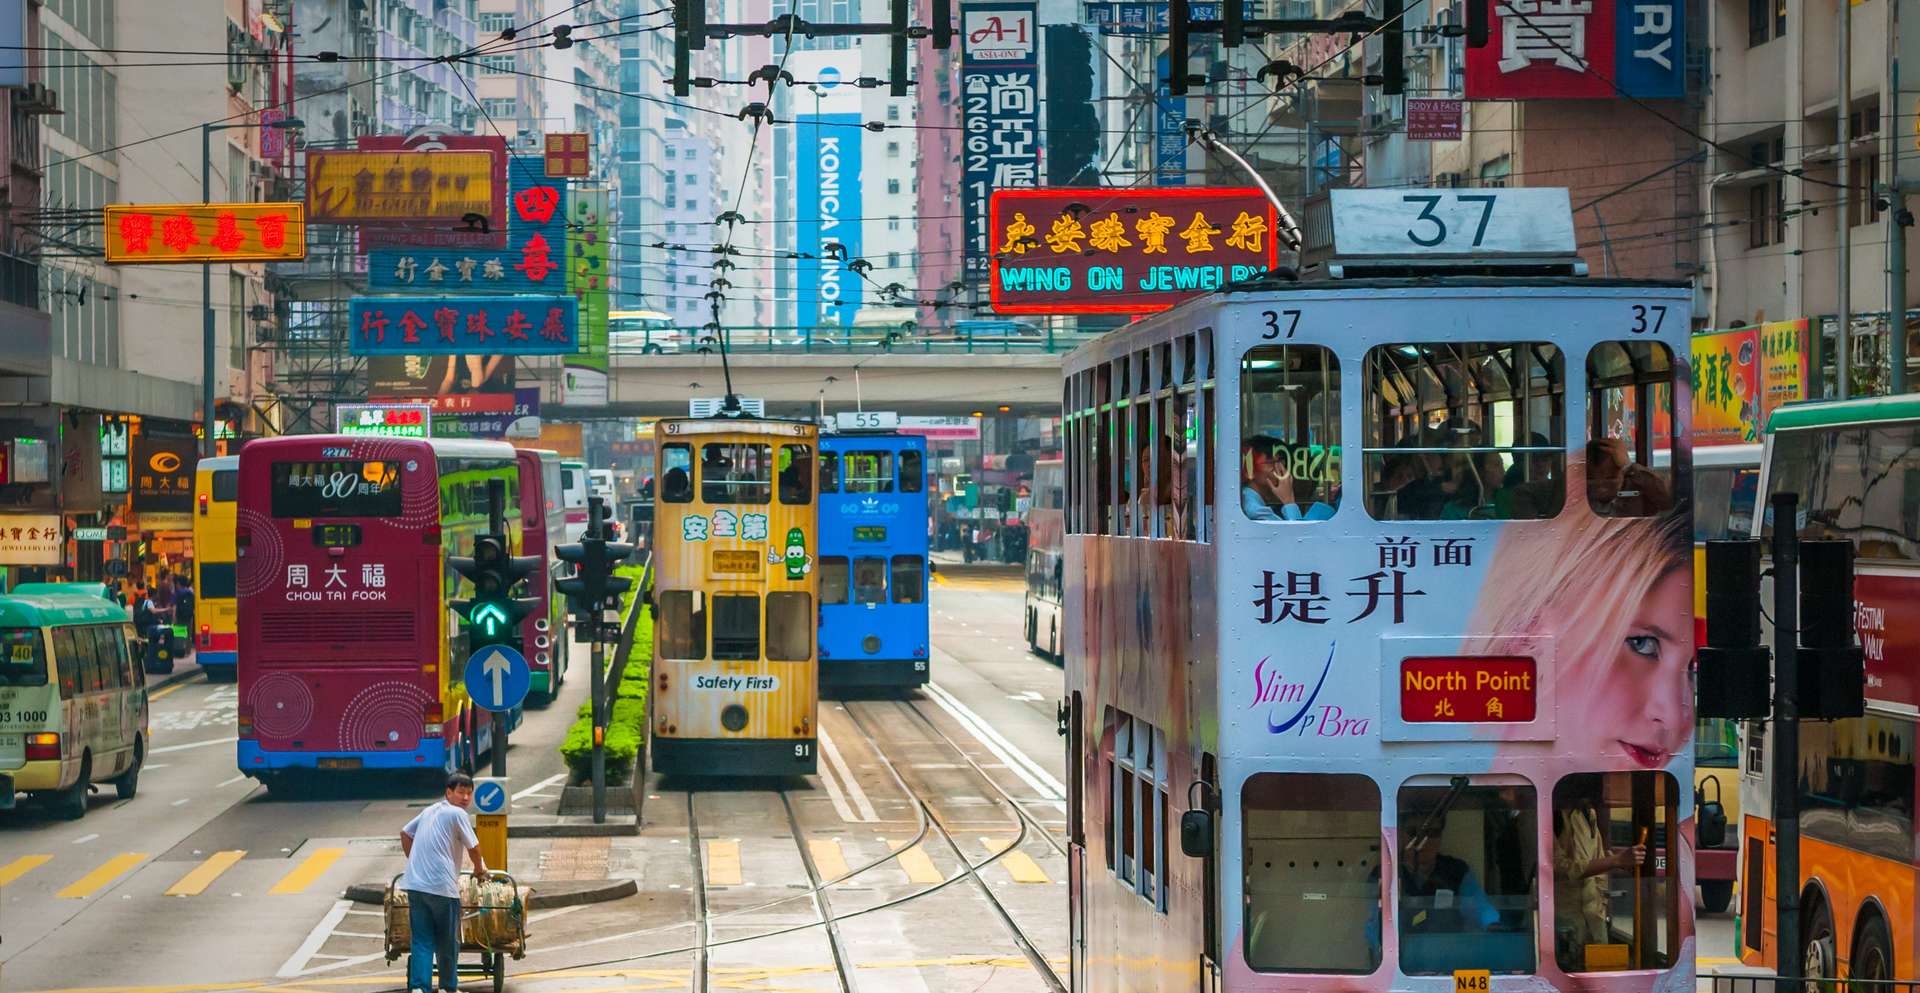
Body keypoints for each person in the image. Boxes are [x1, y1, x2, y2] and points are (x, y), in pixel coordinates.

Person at [401, 772, 488, 993]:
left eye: (469, 793)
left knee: (421, 940)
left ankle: (419, 988)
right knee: (447, 940)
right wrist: (479, 870)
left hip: (415, 885)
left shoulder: (429, 810)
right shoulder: (457, 813)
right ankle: (449, 987)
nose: (466, 798)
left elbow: (405, 833)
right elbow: (474, 848)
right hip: (442, 888)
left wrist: (415, 862)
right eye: (461, 792)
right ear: (448, 792)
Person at [1553, 775, 1646, 966]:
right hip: (1565, 918)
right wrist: (1615, 860)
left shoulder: (1588, 814)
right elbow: (1564, 868)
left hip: (1594, 916)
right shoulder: (1551, 817)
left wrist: (1617, 866)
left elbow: (1598, 860)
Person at [1241, 434, 1335, 521]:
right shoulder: (1255, 511)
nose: (1282, 469)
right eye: (1271, 463)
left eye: (1282, 462)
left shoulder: (1252, 501)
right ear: (1249, 469)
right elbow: (1297, 537)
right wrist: (1289, 500)